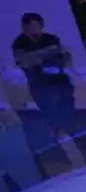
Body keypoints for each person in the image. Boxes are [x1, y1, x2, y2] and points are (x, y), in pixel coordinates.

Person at [11, 13, 78, 147]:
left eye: (38, 25)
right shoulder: (19, 44)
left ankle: (75, 138)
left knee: (68, 108)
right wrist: (47, 53)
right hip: (41, 85)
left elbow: (64, 54)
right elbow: (25, 61)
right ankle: (59, 143)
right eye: (32, 26)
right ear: (25, 27)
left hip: (61, 80)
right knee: (51, 112)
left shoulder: (50, 38)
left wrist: (68, 66)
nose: (36, 28)